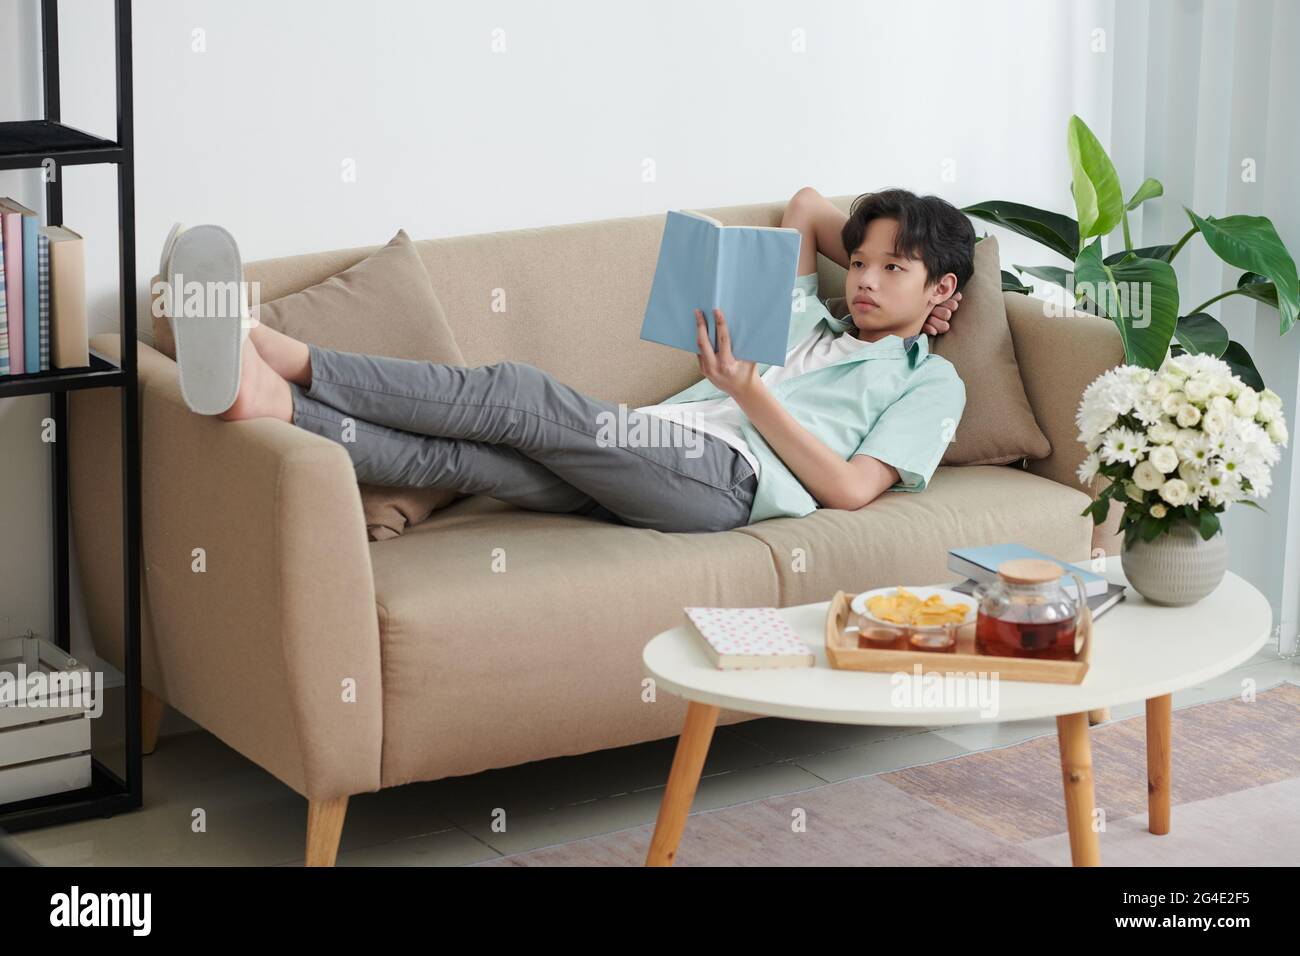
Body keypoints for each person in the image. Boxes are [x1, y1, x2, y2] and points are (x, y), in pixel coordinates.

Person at [179, 186, 971, 533]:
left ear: (940, 289)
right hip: (660, 444)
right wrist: (887, 242)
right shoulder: (811, 319)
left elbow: (850, 493)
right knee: (475, 461)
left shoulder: (932, 382)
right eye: (859, 261)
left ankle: (290, 355)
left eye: (889, 269)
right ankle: (271, 405)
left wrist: (752, 394)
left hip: (728, 480)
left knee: (518, 394)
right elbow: (804, 207)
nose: (863, 279)